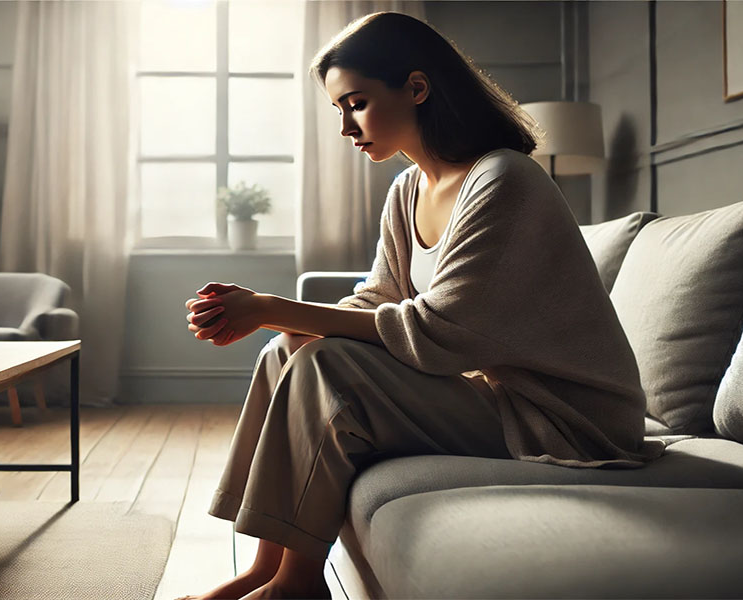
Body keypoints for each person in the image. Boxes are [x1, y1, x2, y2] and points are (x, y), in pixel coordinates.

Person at [180, 12, 663, 600]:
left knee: (326, 366)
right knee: (289, 351)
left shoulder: (505, 180)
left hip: (563, 420)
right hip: (497, 396)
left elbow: (439, 332)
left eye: (355, 103)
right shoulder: (409, 189)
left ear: (416, 88)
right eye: (338, 109)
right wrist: (275, 318)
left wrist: (270, 303)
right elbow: (381, 298)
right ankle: (267, 569)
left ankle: (296, 587)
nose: (345, 127)